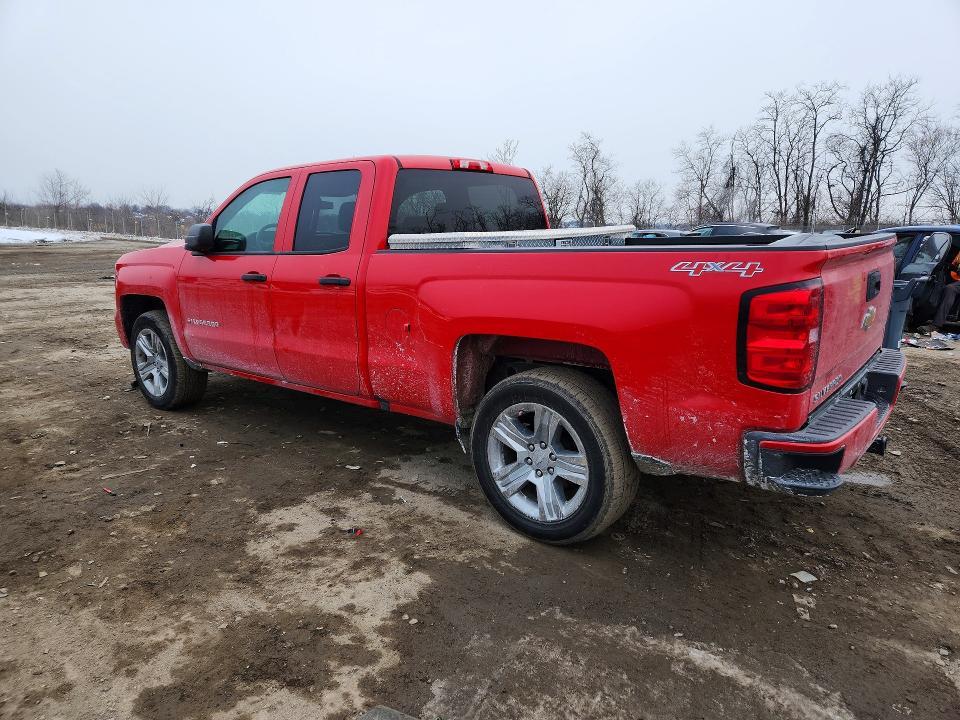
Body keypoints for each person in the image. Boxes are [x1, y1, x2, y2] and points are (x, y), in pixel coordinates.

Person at [933, 248, 960, 329]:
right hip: (956, 278)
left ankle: (936, 324)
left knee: (950, 288)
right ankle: (936, 324)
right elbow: (954, 266)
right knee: (940, 285)